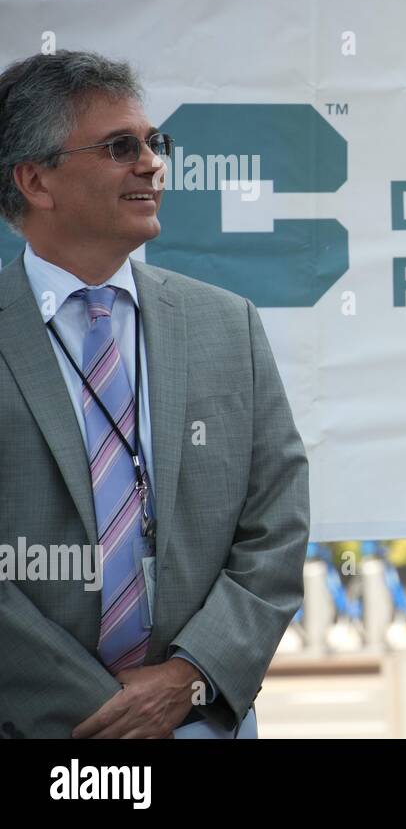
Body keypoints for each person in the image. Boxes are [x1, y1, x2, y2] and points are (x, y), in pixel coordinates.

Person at [0, 51, 309, 738]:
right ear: (35, 181)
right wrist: (98, 710)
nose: (151, 163)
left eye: (152, 143)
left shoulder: (228, 326)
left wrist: (188, 677)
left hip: (198, 719)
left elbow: (275, 525)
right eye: (119, 147)